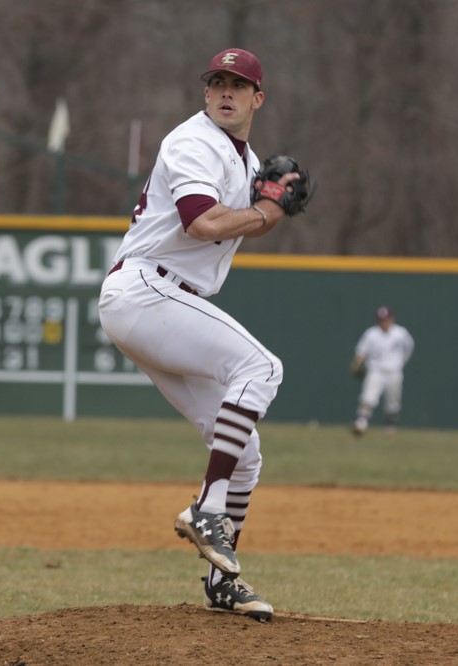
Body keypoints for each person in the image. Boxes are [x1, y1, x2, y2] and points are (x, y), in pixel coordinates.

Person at [97, 48, 310, 622]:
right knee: (262, 368)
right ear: (205, 91)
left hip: (165, 303)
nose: (225, 91)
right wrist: (270, 213)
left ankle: (223, 580)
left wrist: (271, 203)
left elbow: (251, 213)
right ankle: (208, 509)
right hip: (145, 290)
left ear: (256, 99)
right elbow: (203, 221)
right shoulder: (193, 142)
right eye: (217, 81)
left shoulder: (247, 159)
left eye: (238, 85)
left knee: (246, 454)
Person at [350, 306, 415, 435]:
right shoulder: (371, 334)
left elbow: (409, 347)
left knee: (393, 400)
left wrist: (403, 361)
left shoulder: (400, 333)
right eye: (381, 319)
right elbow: (361, 352)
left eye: (386, 319)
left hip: (393, 370)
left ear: (391, 319)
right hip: (376, 370)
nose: (384, 322)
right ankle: (361, 423)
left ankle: (390, 426)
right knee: (368, 396)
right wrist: (358, 362)